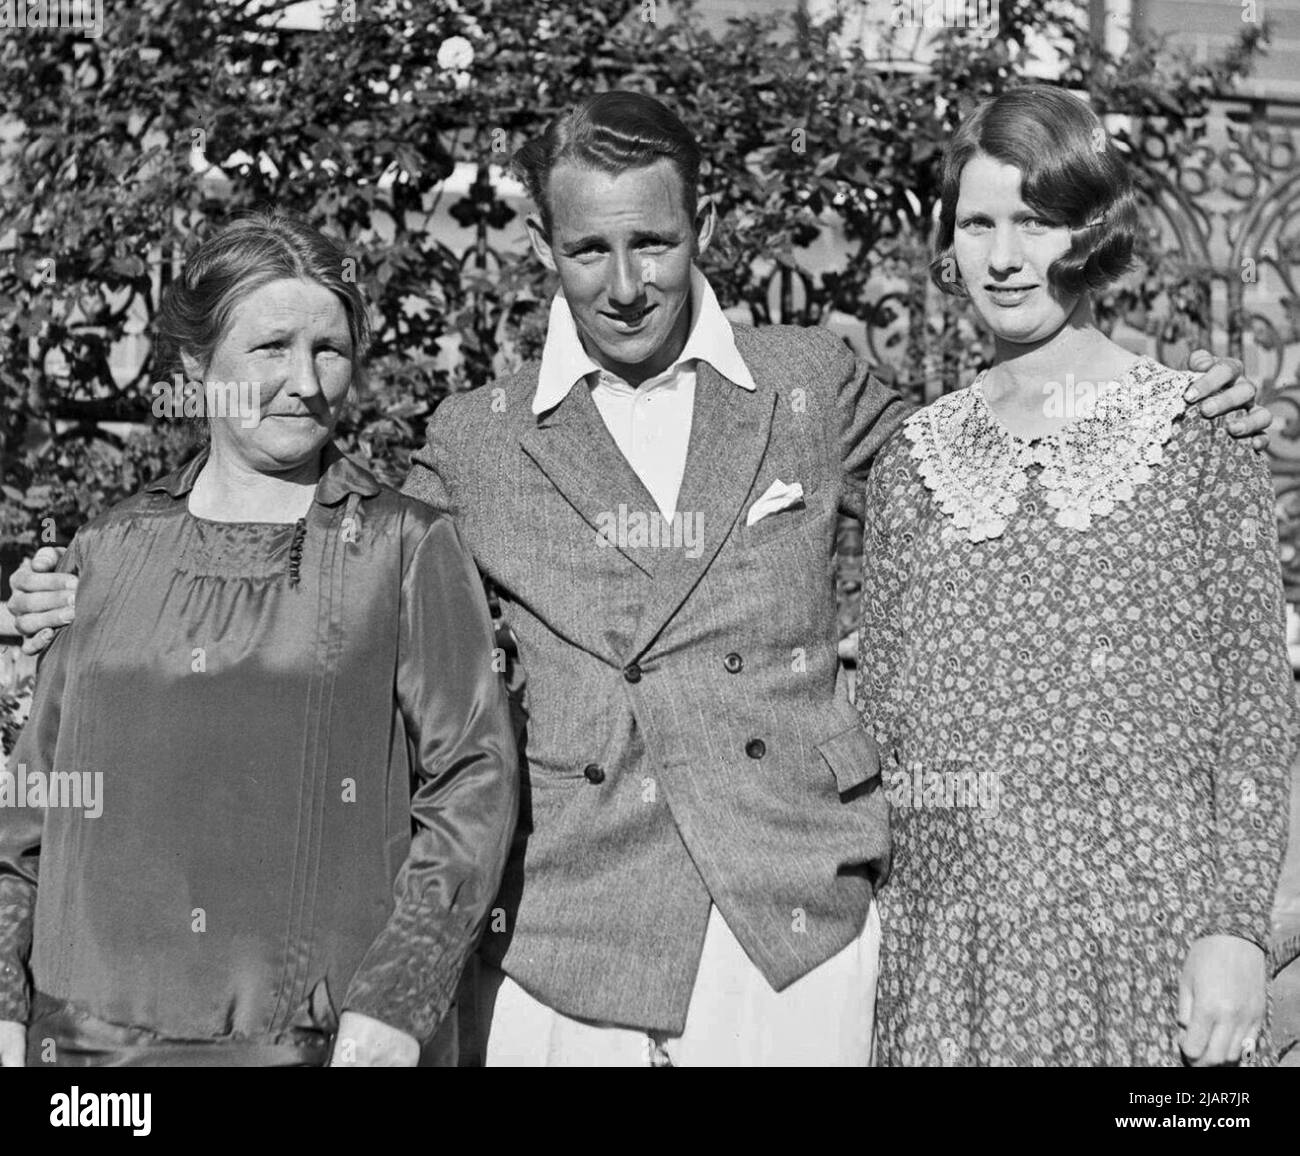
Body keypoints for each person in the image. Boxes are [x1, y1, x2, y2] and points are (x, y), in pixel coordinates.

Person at [7, 92, 1269, 1067]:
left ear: (698, 230)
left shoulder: (809, 382)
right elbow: (325, 569)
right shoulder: (476, 436)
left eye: (654, 243)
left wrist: (1173, 393)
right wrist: (115, 575)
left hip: (793, 919)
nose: (624, 284)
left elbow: (1007, 445)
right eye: (588, 249)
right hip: (569, 931)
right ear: (548, 248)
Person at [0, 215, 518, 1067]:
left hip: (314, 1045)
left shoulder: (402, 547)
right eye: (271, 347)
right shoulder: (108, 551)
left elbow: (474, 780)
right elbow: (30, 809)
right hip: (88, 1053)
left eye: (330, 350)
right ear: (196, 364)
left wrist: (397, 997)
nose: (305, 381)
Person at [856, 84, 1297, 1067]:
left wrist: (1235, 927)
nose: (1004, 258)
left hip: (1154, 949)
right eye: (977, 223)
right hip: (951, 959)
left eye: (1037, 222)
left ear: (1092, 232)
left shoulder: (1195, 437)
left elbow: (1256, 708)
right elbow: (881, 723)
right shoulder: (911, 462)